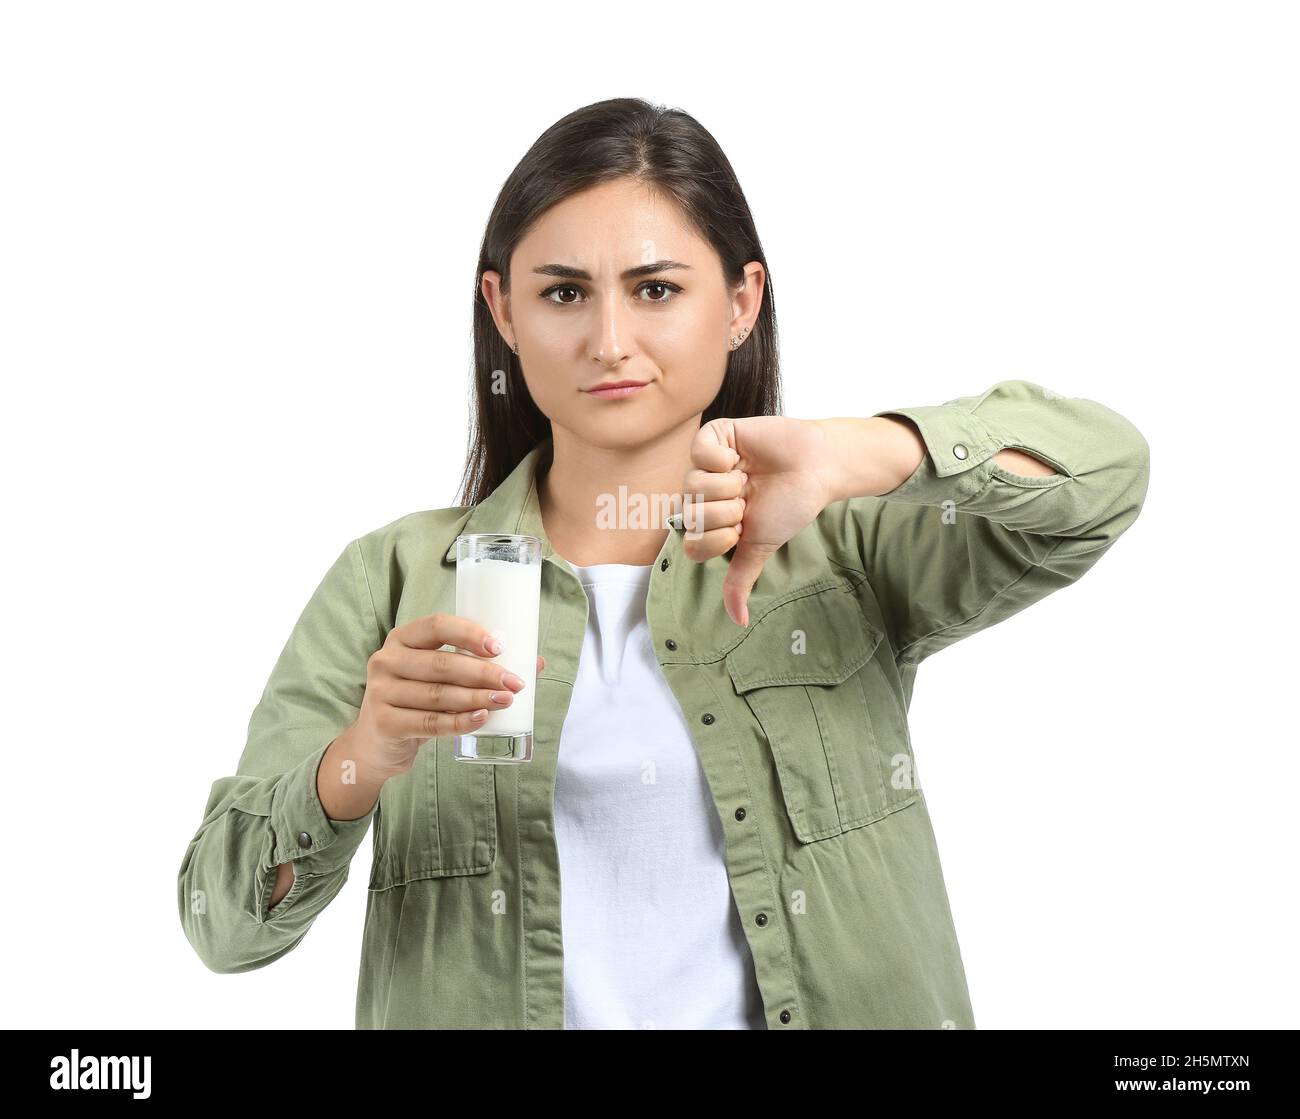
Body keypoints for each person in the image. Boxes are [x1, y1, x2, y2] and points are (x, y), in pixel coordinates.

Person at [177, 96, 1150, 1029]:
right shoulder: (391, 578)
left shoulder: (844, 544)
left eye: (655, 290)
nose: (609, 342)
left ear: (740, 301)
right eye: (562, 293)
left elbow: (1105, 476)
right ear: (502, 311)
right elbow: (222, 925)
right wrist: (362, 756)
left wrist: (866, 449)